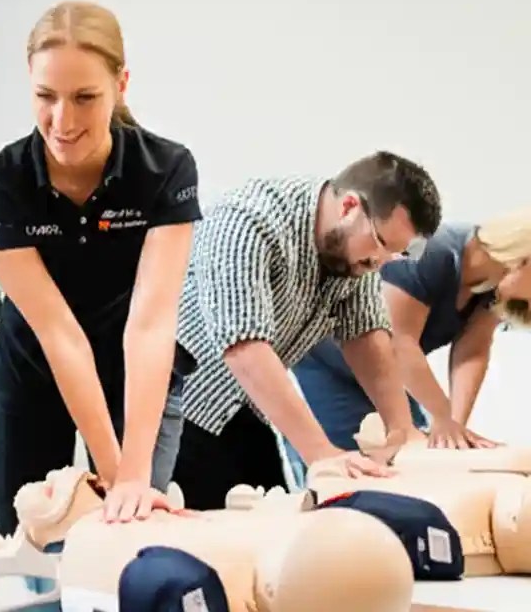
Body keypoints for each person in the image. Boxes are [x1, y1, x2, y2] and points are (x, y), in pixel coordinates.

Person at [0, 0, 203, 536]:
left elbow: (150, 323)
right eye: (45, 97)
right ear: (29, 81)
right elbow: (58, 332)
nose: (63, 121)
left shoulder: (164, 170)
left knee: (134, 534)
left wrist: (131, 476)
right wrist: (112, 473)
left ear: (122, 83)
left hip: (136, 373)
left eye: (85, 98)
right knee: (29, 543)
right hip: (34, 369)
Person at [170, 152, 443, 510]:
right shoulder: (248, 219)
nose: (382, 262)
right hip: (178, 404)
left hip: (244, 407)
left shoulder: (356, 255)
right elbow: (244, 348)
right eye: (381, 243)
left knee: (278, 523)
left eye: (396, 253)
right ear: (349, 206)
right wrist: (321, 454)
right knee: (195, 538)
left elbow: (366, 334)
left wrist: (401, 430)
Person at [283, 206, 531, 483]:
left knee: (404, 462)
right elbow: (398, 342)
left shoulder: (492, 287)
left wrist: (455, 426)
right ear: (524, 257)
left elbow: (472, 352)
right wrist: (442, 415)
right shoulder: (434, 251)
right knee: (341, 472)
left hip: (384, 373)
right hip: (325, 363)